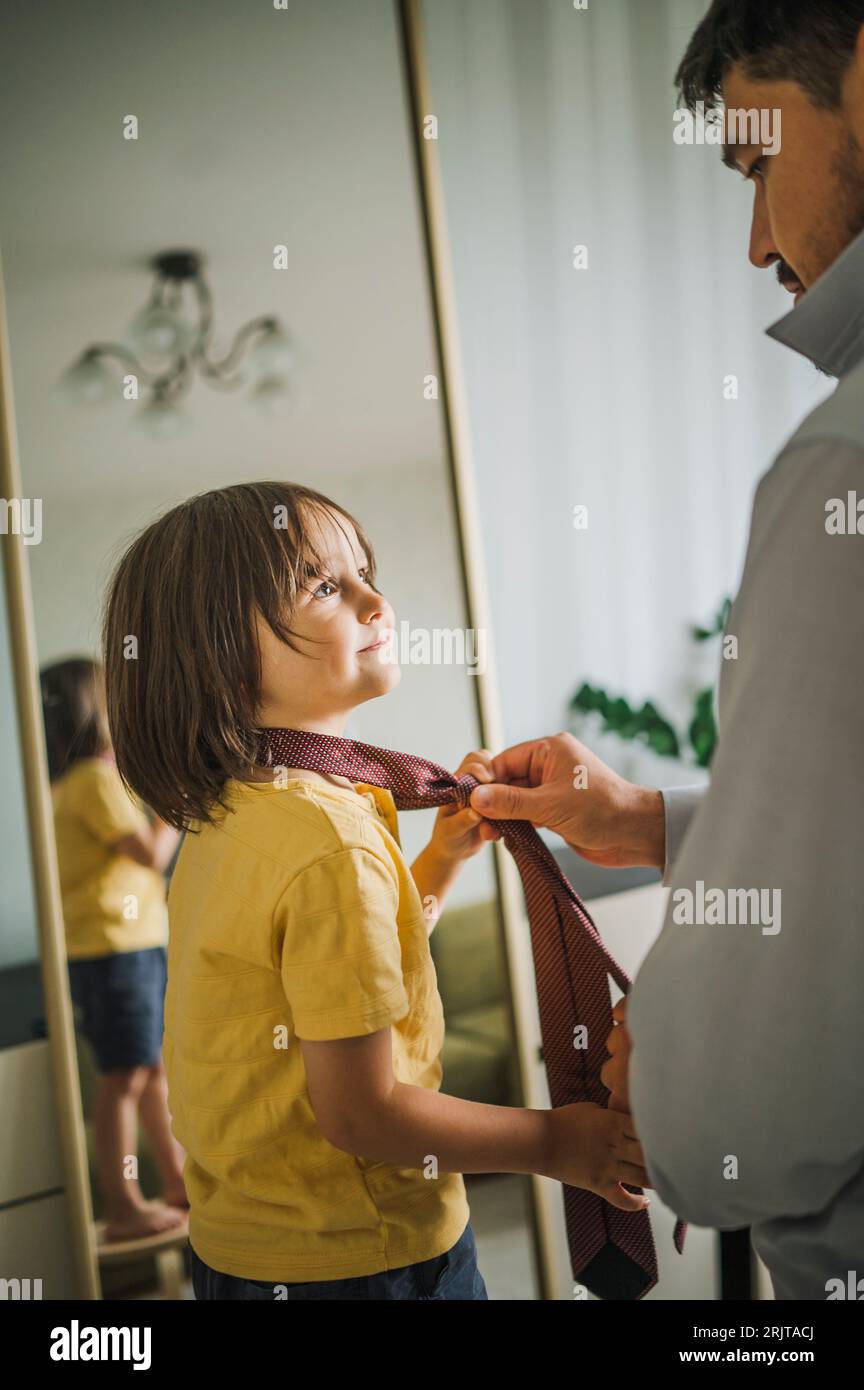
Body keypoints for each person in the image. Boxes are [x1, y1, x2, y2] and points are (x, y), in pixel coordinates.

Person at [467, 0, 864, 1300]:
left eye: (755, 164)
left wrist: (664, 1078)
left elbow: (765, 1077)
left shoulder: (839, 470)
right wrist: (639, 817)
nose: (756, 244)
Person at [100, 480, 651, 1301]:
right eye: (325, 586)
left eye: (365, 573)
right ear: (214, 653)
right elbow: (363, 1115)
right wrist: (554, 1145)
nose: (374, 600)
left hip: (246, 1250)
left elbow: (338, 988)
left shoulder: (232, 816)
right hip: (365, 1257)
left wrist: (438, 862)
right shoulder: (330, 838)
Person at [41, 657, 186, 1240]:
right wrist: (176, 798)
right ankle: (123, 1205)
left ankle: (176, 1184)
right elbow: (150, 854)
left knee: (150, 1074)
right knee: (126, 1076)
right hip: (114, 948)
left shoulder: (89, 780)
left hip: (128, 943)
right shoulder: (93, 782)